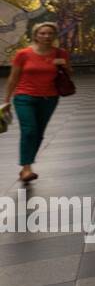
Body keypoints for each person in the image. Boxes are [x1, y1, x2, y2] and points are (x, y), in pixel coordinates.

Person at [2, 22, 71, 183]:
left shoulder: (60, 53)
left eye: (50, 34)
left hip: (49, 98)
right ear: (35, 35)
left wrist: (64, 65)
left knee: (39, 133)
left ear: (54, 36)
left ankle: (27, 165)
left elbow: (68, 73)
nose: (46, 36)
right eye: (42, 33)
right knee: (29, 130)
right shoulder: (23, 54)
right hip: (24, 97)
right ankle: (27, 168)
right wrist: (7, 99)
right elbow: (13, 77)